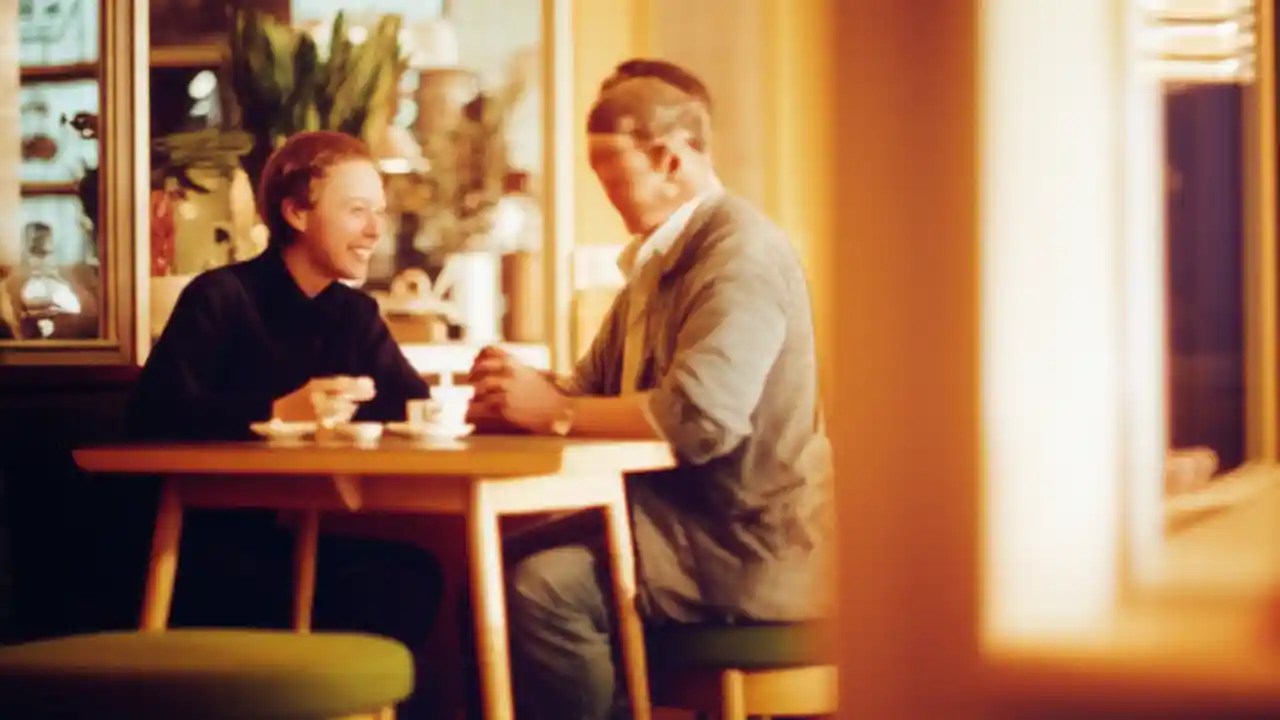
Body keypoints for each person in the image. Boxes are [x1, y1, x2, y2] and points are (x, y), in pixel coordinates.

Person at [467, 64, 833, 720]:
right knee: (479, 557)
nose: (605, 191)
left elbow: (701, 417)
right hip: (673, 530)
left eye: (612, 172)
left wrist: (555, 413)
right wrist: (518, 394)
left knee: (542, 589)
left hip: (742, 548)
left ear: (669, 159)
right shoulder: (655, 262)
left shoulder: (740, 255)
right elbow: (589, 389)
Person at [127, 131, 443, 720]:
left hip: (304, 531)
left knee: (413, 576)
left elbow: (410, 406)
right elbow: (154, 413)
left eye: (378, 212)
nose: (375, 230)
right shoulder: (222, 296)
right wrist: (276, 410)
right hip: (201, 548)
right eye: (357, 211)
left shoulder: (354, 313)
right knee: (389, 582)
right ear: (296, 213)